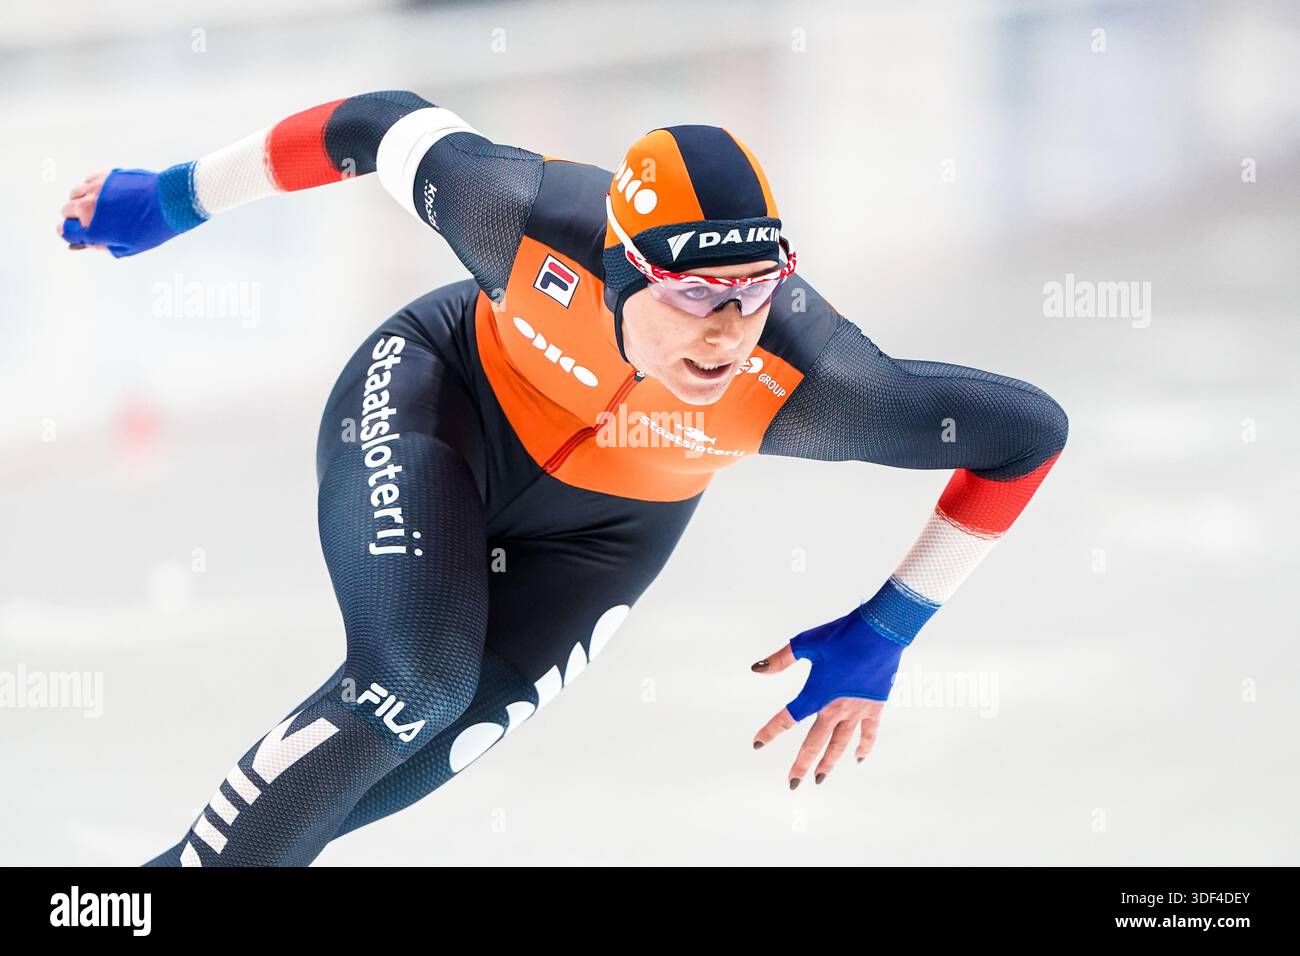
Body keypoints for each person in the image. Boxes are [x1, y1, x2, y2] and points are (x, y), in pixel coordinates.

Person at [59, 90, 1068, 866]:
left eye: (755, 289)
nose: (726, 331)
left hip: (608, 531)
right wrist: (176, 197)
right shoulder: (519, 214)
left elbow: (1025, 435)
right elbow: (374, 125)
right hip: (439, 402)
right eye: (693, 292)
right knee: (417, 680)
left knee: (407, 753)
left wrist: (886, 626)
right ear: (624, 263)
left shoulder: (826, 386)